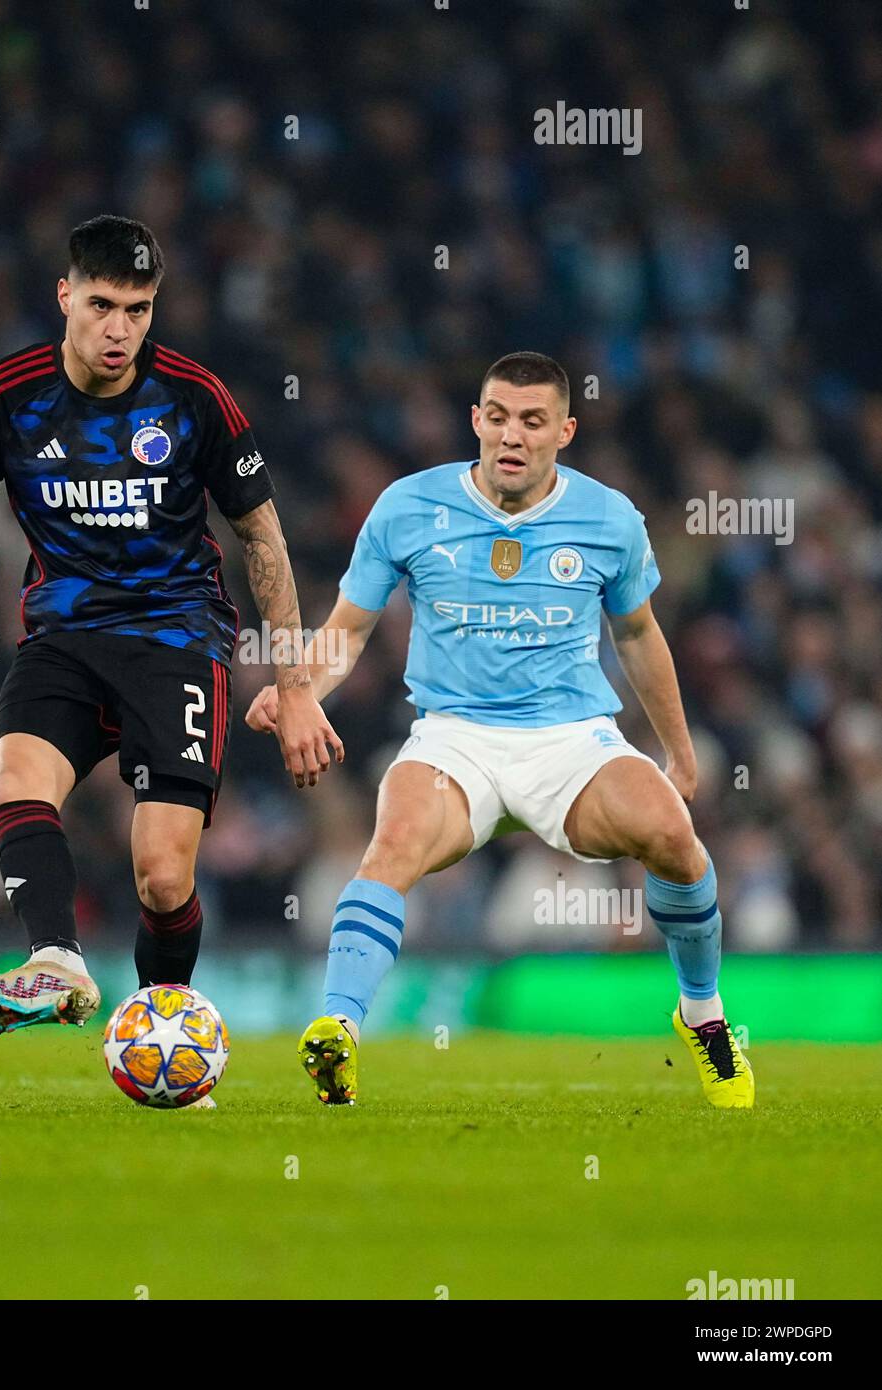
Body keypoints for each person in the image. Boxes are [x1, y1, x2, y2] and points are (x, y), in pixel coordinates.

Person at [0, 214, 340, 1068]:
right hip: (66, 635)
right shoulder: (4, 395)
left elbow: (263, 541)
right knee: (16, 772)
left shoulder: (196, 397)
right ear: (65, 297)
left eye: (138, 308)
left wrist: (297, 684)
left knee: (162, 878)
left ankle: (169, 1032)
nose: (119, 328)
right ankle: (57, 960)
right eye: (101, 305)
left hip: (176, 636)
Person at [247, 352, 753, 1110]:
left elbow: (639, 636)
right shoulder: (407, 507)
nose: (510, 434)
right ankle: (338, 1030)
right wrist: (297, 693)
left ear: (563, 431)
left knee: (673, 835)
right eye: (497, 416)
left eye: (531, 420)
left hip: (571, 740)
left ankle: (702, 1015)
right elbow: (348, 632)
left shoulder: (608, 518)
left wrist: (676, 752)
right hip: (453, 738)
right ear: (476, 420)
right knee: (393, 844)